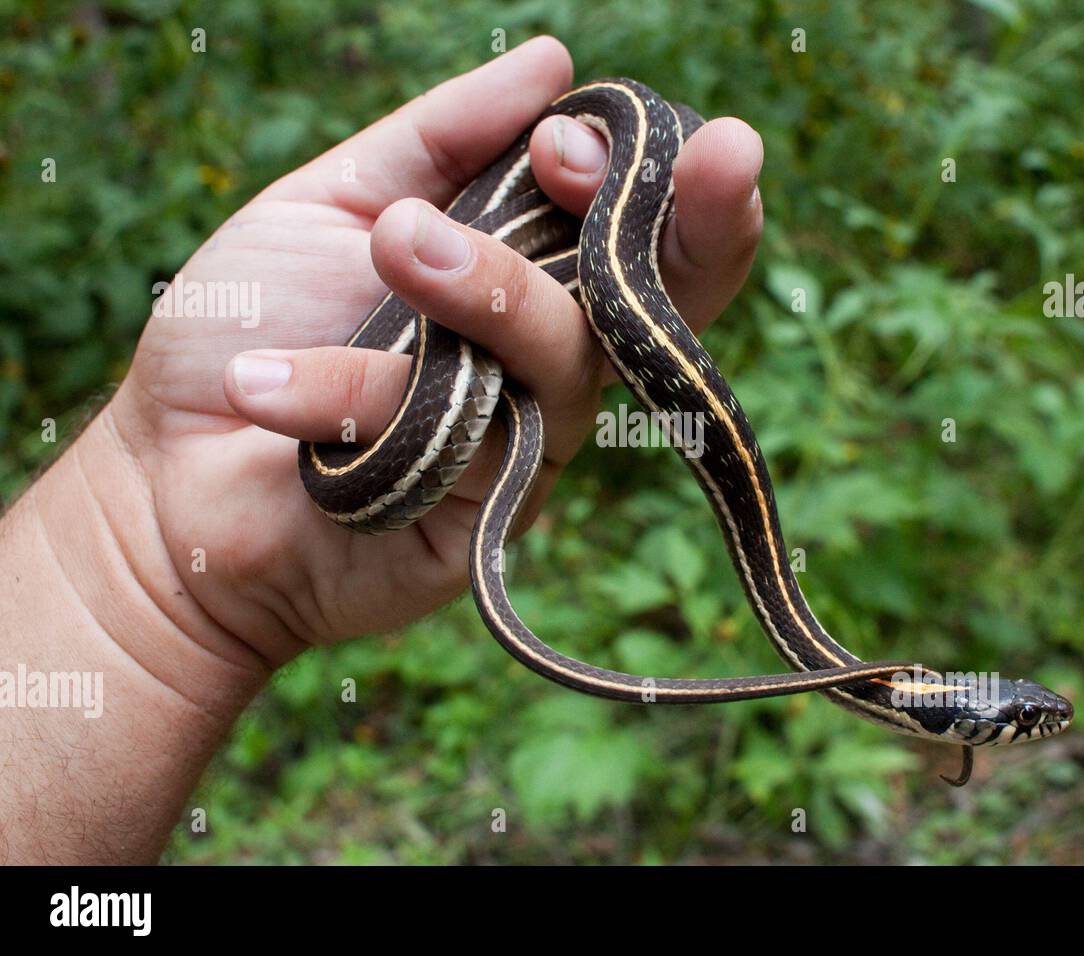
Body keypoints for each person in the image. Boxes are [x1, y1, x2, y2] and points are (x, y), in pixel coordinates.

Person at [0, 37, 765, 864]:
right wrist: (150, 539)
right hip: (355, 461)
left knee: (615, 233)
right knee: (604, 253)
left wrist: (159, 564)